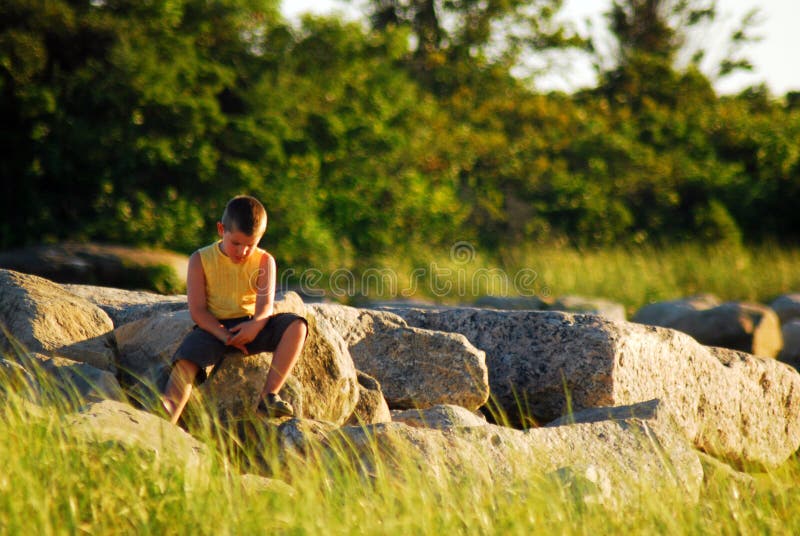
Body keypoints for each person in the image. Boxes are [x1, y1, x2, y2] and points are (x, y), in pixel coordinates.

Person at [162, 195, 307, 425]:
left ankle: (269, 395)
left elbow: (265, 307)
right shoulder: (200, 260)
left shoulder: (264, 261)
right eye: (236, 243)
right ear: (221, 230)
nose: (243, 251)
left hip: (251, 325)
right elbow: (198, 311)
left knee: (297, 326)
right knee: (186, 357)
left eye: (251, 245)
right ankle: (167, 413)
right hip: (213, 328)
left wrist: (256, 325)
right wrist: (223, 335)